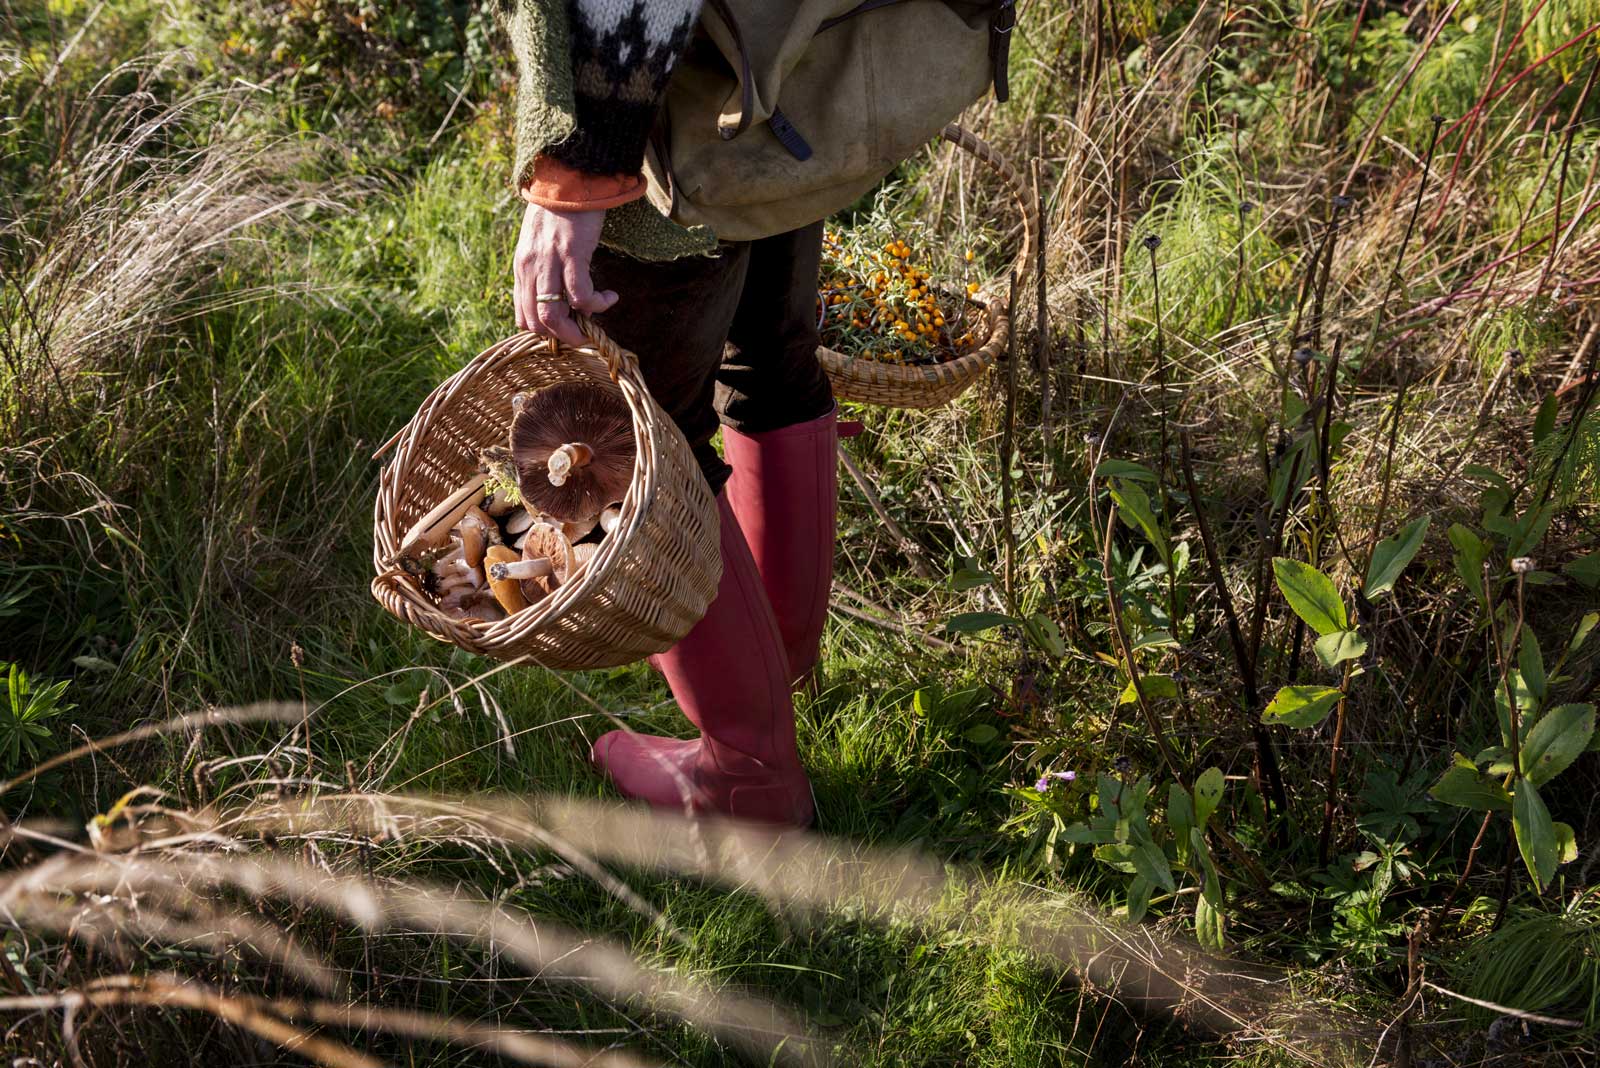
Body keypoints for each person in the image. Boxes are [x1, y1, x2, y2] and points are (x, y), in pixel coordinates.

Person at [495, 0, 1011, 827]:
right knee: (768, 363)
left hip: (659, 124)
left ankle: (748, 775)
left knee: (626, 442)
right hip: (772, 91)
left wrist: (578, 168)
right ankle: (774, 667)